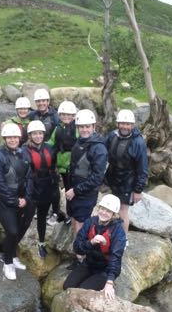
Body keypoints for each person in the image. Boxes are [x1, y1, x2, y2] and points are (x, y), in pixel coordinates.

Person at [0, 122, 35, 280]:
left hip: (21, 198)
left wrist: (26, 198)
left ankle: (11, 254)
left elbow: (29, 177)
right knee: (12, 231)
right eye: (9, 137)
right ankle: (7, 262)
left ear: (19, 138)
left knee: (23, 225)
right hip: (2, 201)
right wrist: (15, 201)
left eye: (15, 137)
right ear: (4, 138)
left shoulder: (24, 154)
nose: (13, 140)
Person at [63, 194, 126, 300]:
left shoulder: (118, 232)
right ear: (99, 208)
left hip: (104, 270)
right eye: (102, 209)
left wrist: (109, 282)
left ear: (113, 214)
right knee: (67, 287)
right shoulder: (91, 222)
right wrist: (91, 242)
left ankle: (105, 280)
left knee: (81, 292)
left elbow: (116, 257)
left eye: (108, 211)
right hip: (89, 263)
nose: (104, 213)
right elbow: (77, 247)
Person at [104, 109, 149, 235]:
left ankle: (123, 239)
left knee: (123, 211)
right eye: (122, 123)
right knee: (111, 208)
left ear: (132, 125)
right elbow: (102, 149)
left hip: (128, 181)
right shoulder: (112, 135)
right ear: (118, 124)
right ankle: (112, 232)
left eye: (127, 124)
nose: (124, 126)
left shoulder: (138, 142)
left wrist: (138, 190)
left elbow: (143, 167)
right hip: (113, 177)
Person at [65, 109, 108, 237]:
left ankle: (81, 256)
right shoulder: (79, 142)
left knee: (80, 224)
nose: (84, 130)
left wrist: (75, 190)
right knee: (73, 219)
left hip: (85, 194)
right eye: (81, 127)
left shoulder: (99, 149)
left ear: (94, 127)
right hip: (74, 191)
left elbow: (97, 178)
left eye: (87, 126)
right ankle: (77, 250)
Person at [22, 120, 58, 258]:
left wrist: (54, 184)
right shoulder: (24, 151)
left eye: (40, 133)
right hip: (32, 188)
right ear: (30, 135)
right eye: (35, 134)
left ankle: (41, 243)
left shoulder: (49, 148)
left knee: (42, 216)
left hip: (47, 186)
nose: (38, 136)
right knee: (26, 217)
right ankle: (14, 241)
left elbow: (53, 166)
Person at [47, 99, 78, 225]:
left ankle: (73, 214)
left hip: (74, 166)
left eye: (69, 115)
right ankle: (69, 213)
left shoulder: (77, 128)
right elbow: (51, 143)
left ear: (73, 116)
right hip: (62, 167)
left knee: (73, 191)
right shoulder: (58, 129)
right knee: (67, 190)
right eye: (63, 115)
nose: (66, 117)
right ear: (60, 115)